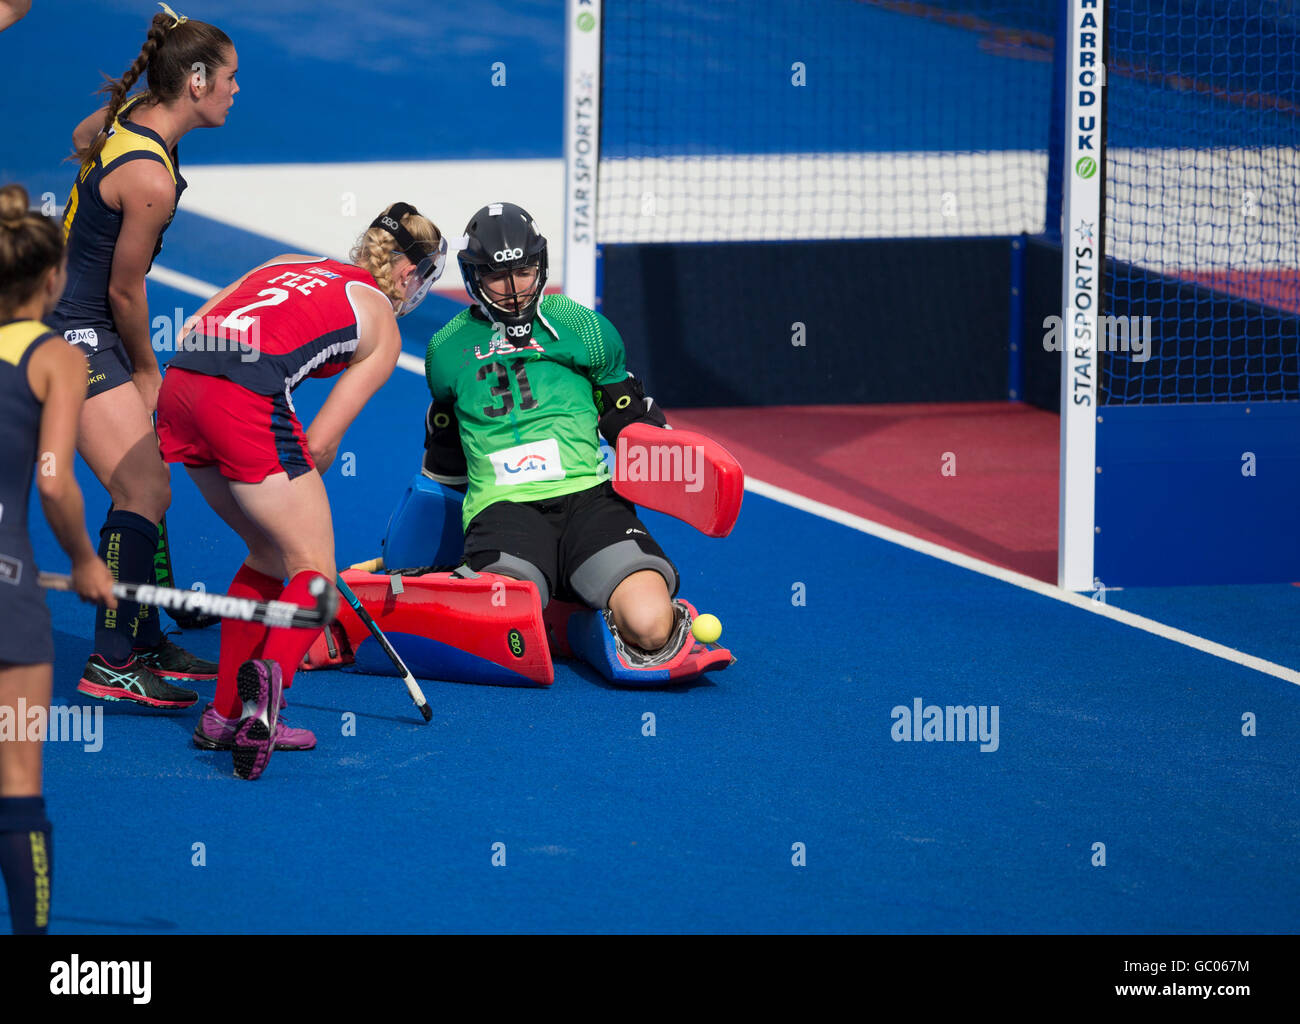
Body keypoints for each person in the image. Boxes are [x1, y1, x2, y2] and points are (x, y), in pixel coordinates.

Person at [156, 202, 446, 779]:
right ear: (410, 273)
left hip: (181, 388)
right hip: (242, 401)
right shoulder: (382, 325)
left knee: (266, 552)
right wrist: (305, 488)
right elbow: (318, 441)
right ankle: (268, 695)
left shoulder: (286, 262)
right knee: (315, 575)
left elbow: (194, 331)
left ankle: (221, 713)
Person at [48, 4, 238, 709]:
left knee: (147, 478)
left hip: (76, 316)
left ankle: (145, 634)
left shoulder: (134, 115)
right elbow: (127, 291)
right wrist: (149, 370)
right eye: (228, 76)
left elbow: (80, 134)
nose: (235, 89)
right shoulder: (150, 179)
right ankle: (114, 662)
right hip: (74, 330)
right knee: (145, 491)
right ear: (194, 81)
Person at [423, 203, 692, 664]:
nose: (512, 290)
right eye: (496, 276)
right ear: (473, 276)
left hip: (591, 501)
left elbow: (626, 421)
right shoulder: (445, 350)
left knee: (651, 628)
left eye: (523, 272)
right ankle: (567, 611)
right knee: (504, 633)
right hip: (503, 509)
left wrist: (656, 435)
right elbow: (446, 462)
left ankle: (577, 613)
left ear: (540, 265)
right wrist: (424, 551)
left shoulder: (584, 328)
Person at [0, 184, 117, 933]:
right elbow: (54, 482)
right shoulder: (54, 358)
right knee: (17, 784)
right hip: (10, 594)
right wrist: (85, 562)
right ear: (53, 280)